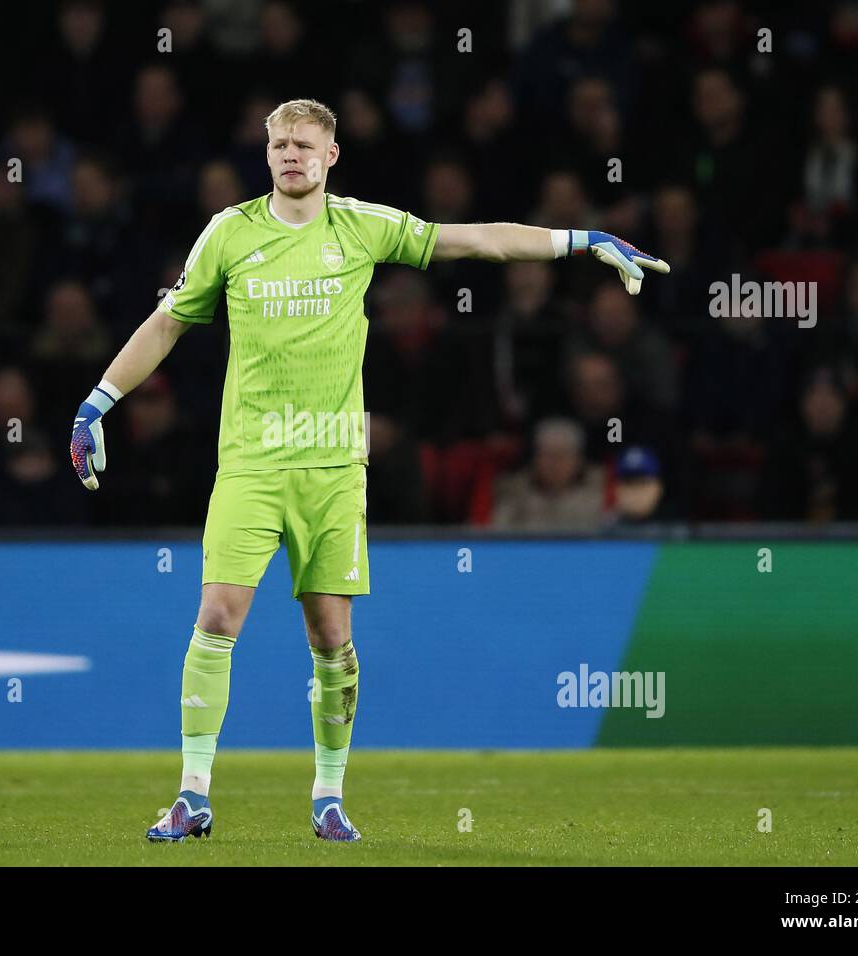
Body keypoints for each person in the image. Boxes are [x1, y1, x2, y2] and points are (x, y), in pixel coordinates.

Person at [67, 98, 669, 843]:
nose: (290, 155)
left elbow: (474, 240)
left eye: (304, 145)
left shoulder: (360, 227)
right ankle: (192, 793)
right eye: (279, 144)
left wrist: (577, 240)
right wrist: (97, 401)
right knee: (217, 616)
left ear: (331, 156)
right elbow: (167, 322)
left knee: (329, 638)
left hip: (332, 471)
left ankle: (328, 795)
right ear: (268, 155)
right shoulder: (229, 233)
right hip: (251, 465)